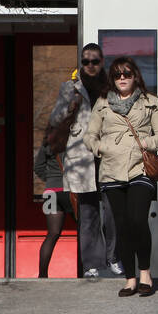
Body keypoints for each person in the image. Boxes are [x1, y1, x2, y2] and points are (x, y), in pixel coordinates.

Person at [85, 56, 158, 297]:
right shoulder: (102, 103)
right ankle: (130, 278)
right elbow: (89, 134)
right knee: (121, 226)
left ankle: (145, 273)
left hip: (139, 167)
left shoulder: (149, 101)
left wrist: (145, 142)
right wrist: (99, 148)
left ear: (135, 77)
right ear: (112, 79)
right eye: (117, 75)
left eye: (127, 74)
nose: (122, 78)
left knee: (137, 220)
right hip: (111, 170)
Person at [48, 43, 121, 278]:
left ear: (101, 62)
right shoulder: (69, 87)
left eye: (94, 61)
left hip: (107, 154)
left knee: (112, 211)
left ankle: (113, 257)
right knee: (88, 213)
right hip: (82, 158)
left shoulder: (111, 88)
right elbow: (55, 118)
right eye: (86, 61)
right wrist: (69, 108)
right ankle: (92, 263)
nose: (90, 65)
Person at [33, 138, 72, 278]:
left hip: (50, 191)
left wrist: (50, 180)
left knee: (52, 234)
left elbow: (38, 167)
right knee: (84, 230)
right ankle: (89, 270)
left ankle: (42, 274)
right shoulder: (75, 140)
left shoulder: (48, 142)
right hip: (71, 190)